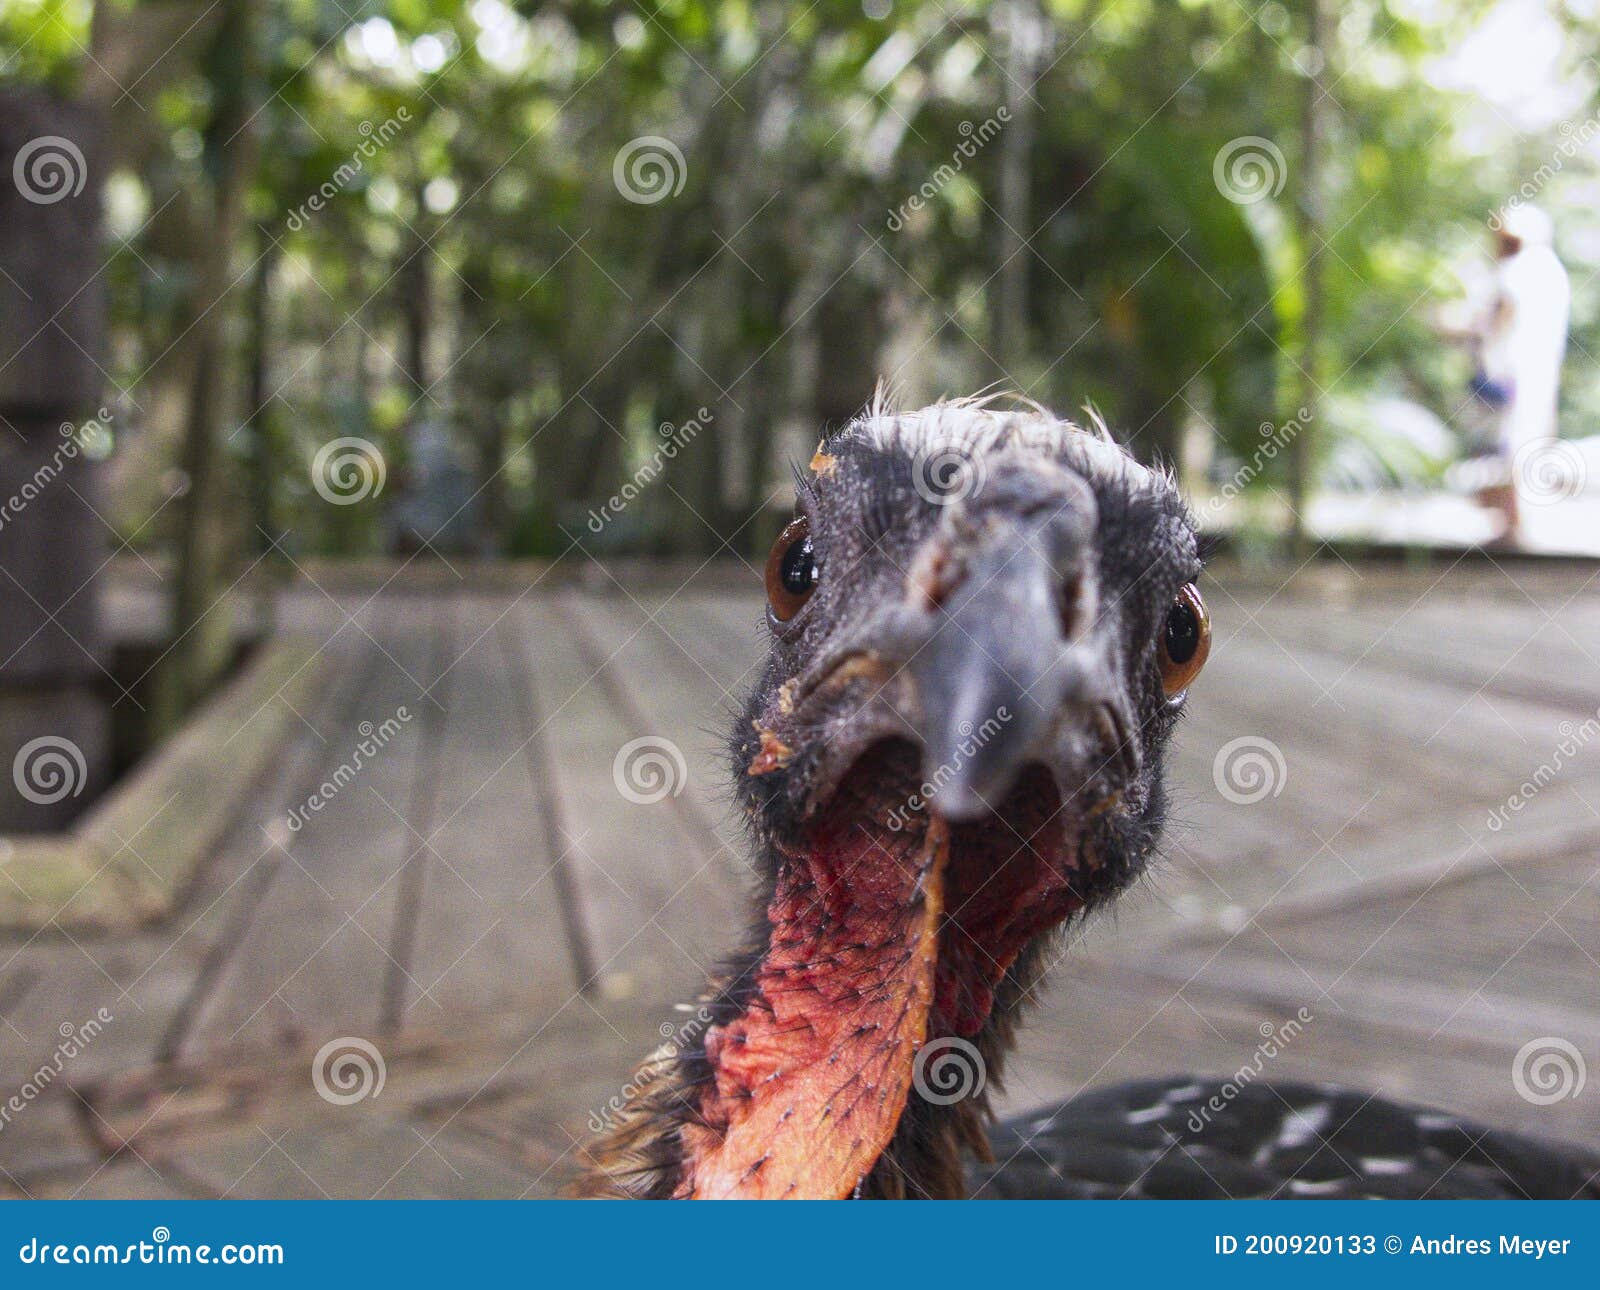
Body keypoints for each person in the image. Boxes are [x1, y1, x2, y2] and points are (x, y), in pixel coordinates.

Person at [1445, 204, 1570, 544]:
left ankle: (1511, 522)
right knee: (1525, 441)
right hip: (1538, 372)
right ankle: (1512, 522)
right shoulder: (1552, 269)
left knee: (1509, 443)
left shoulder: (1517, 270)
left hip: (1510, 374)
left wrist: (1459, 328)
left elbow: (1497, 320)